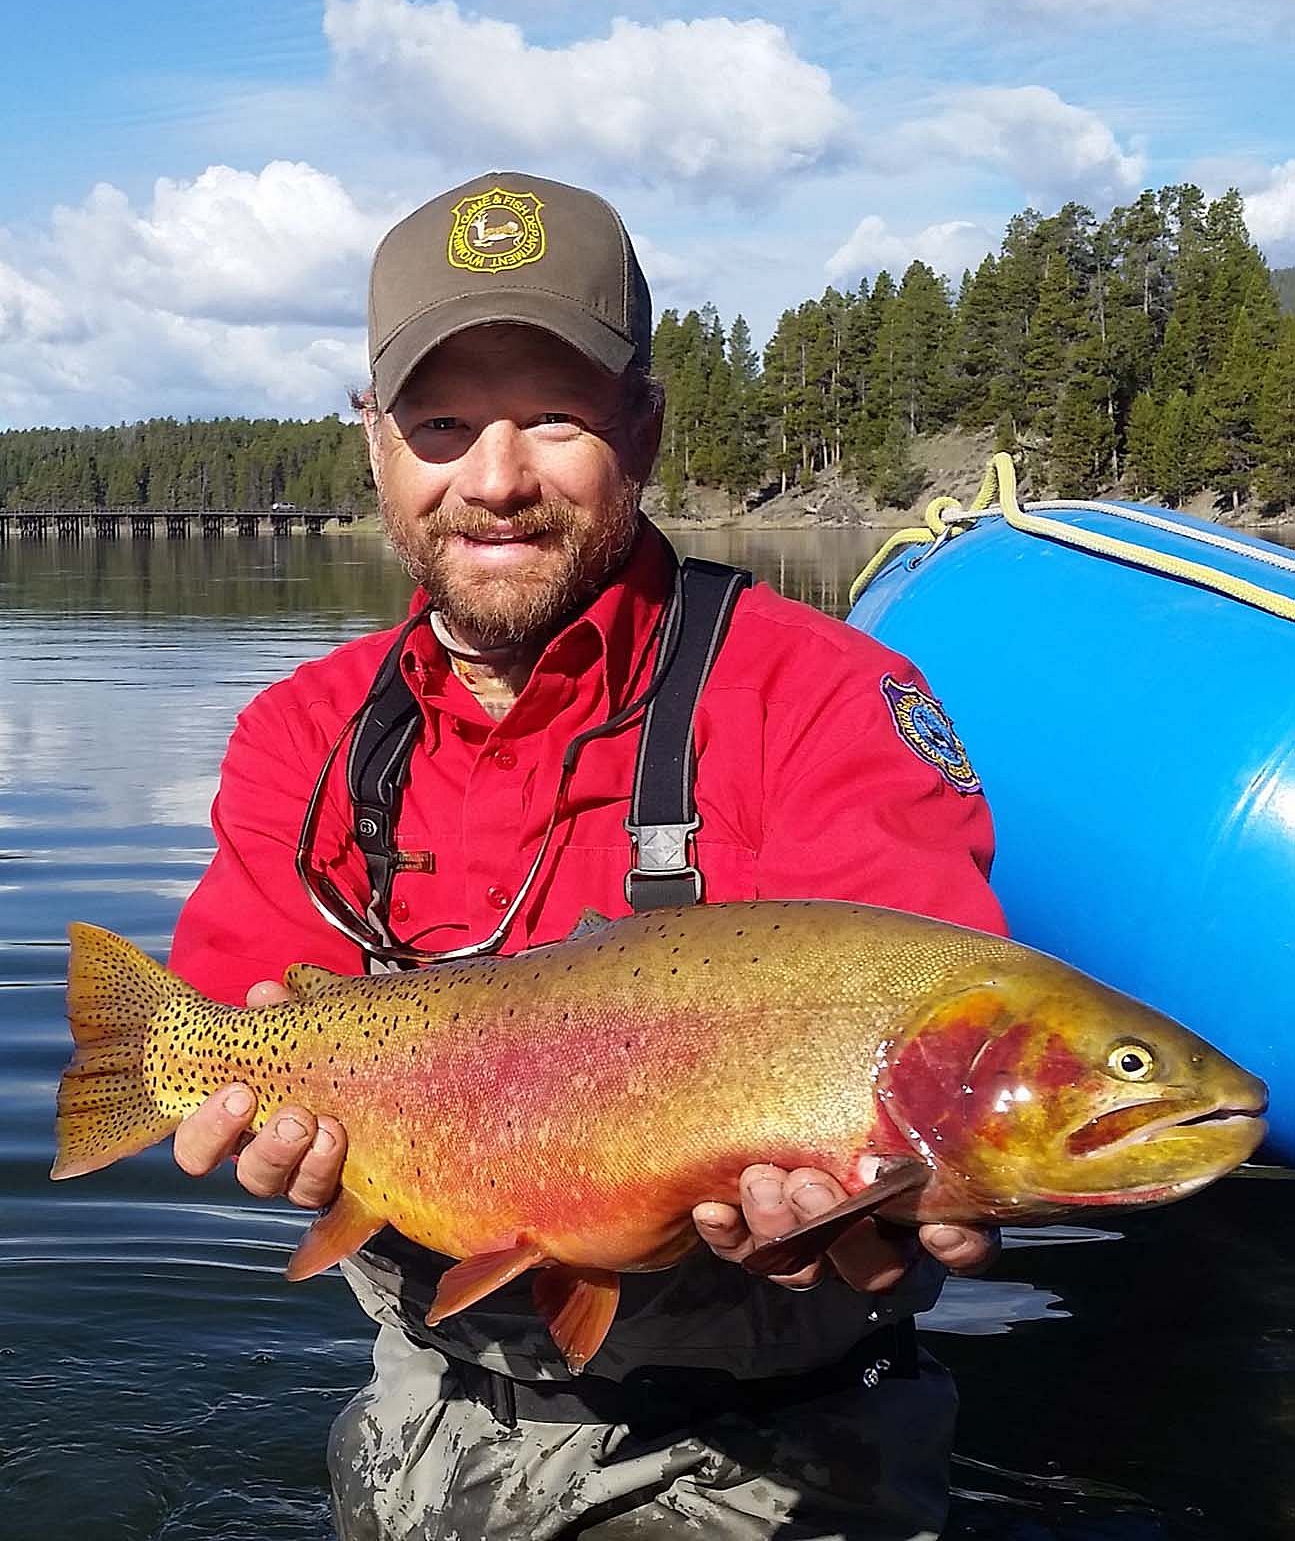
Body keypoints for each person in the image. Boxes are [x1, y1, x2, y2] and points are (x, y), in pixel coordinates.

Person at [169, 171, 1005, 1540]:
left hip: (780, 1454)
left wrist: (912, 1202)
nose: (495, 479)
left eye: (552, 417)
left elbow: (933, 1050)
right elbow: (233, 1028)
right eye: (442, 424)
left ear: (645, 429)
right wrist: (235, 1113)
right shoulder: (302, 735)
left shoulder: (826, 703)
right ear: (376, 445)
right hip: (423, 1412)